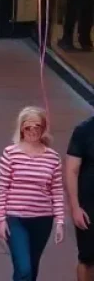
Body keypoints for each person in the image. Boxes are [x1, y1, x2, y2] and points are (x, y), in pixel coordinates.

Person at [0, 106, 64, 280]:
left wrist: (60, 221)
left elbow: (56, 190)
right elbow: (2, 188)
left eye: (37, 127)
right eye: (28, 127)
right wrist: (1, 219)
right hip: (15, 218)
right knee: (24, 267)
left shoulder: (53, 157)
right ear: (21, 128)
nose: (33, 131)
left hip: (43, 219)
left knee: (31, 268)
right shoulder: (10, 154)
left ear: (43, 128)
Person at [66, 111, 94, 280]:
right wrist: (75, 207)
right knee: (88, 258)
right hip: (89, 207)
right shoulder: (84, 131)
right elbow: (71, 170)